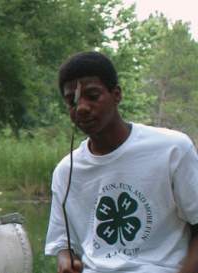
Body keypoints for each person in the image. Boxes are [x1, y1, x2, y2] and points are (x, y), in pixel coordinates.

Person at [44, 51, 198, 273]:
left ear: (116, 95)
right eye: (72, 101)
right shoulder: (66, 171)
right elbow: (64, 245)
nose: (82, 108)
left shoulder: (173, 149)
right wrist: (66, 262)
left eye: (93, 96)